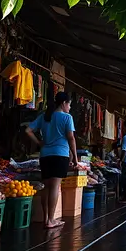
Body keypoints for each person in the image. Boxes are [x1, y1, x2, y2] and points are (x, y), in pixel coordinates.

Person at [25, 91, 78, 228]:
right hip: (60, 155)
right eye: (69, 104)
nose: (70, 108)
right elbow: (71, 138)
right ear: (64, 103)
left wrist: (39, 143)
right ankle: (51, 220)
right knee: (55, 186)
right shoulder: (67, 118)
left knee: (46, 187)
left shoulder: (45, 116)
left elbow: (28, 130)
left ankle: (46, 219)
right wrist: (76, 158)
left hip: (45, 155)